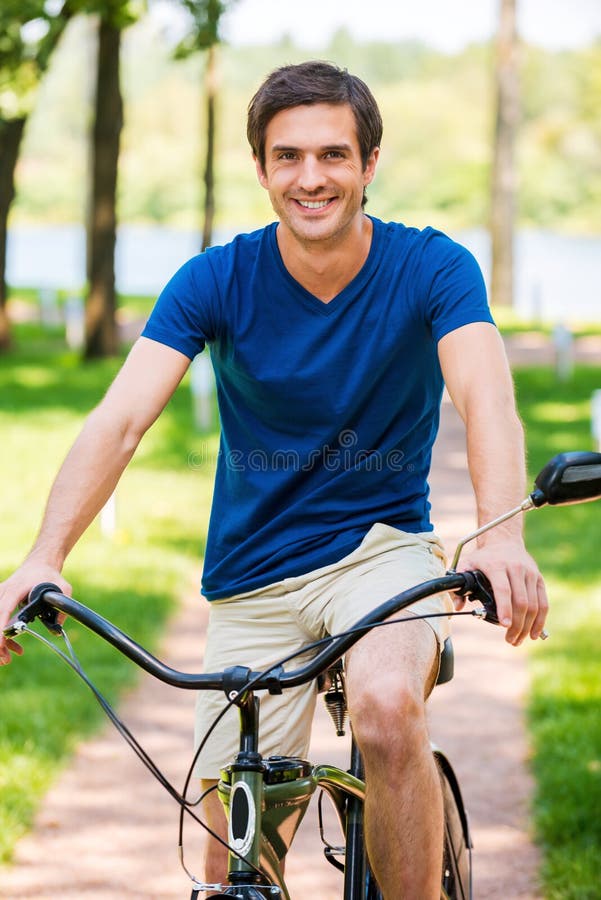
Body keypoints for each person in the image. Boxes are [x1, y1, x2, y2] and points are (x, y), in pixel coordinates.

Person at [0, 61, 547, 898]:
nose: (310, 177)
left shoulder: (433, 269)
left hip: (383, 557)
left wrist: (501, 534)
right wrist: (43, 554)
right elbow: (119, 421)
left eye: (333, 154)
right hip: (252, 577)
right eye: (286, 156)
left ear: (369, 164)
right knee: (230, 869)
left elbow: (486, 396)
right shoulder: (214, 280)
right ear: (260, 169)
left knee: (386, 704)